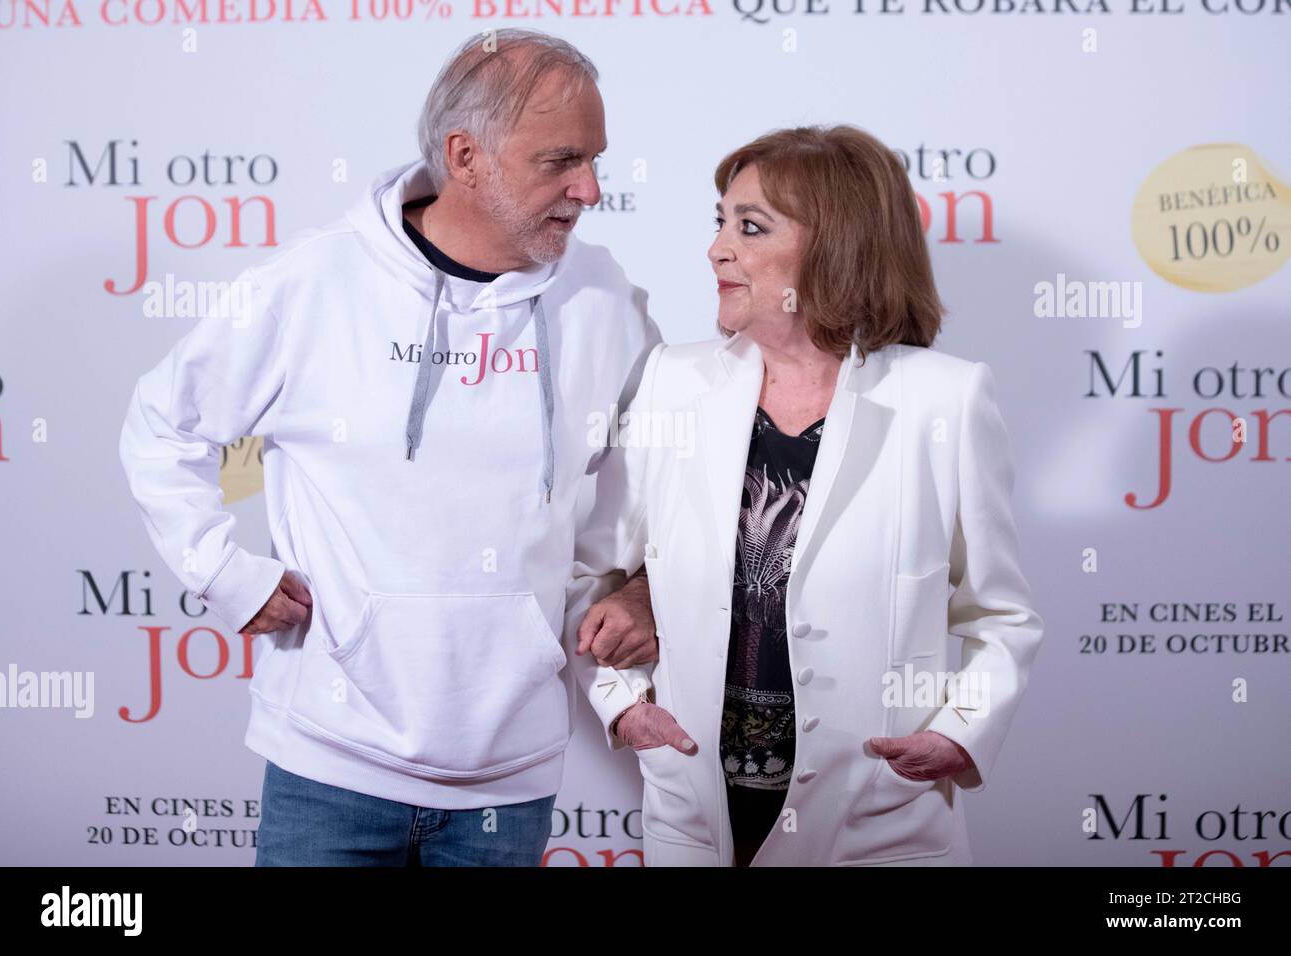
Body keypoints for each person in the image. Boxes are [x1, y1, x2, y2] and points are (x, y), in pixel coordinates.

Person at [118, 29, 661, 867]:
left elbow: (643, 500)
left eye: (594, 159)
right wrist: (225, 575)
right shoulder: (313, 285)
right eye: (559, 161)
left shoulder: (604, 300)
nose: (588, 188)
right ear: (465, 156)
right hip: (328, 766)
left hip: (508, 785)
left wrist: (642, 589)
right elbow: (163, 425)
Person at [568, 125, 1046, 866]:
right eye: (720, 221)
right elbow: (595, 577)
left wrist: (957, 734)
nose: (718, 249)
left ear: (838, 246)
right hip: (693, 820)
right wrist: (625, 708)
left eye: (750, 226)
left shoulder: (944, 401)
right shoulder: (671, 380)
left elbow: (1002, 614)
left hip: (878, 827)